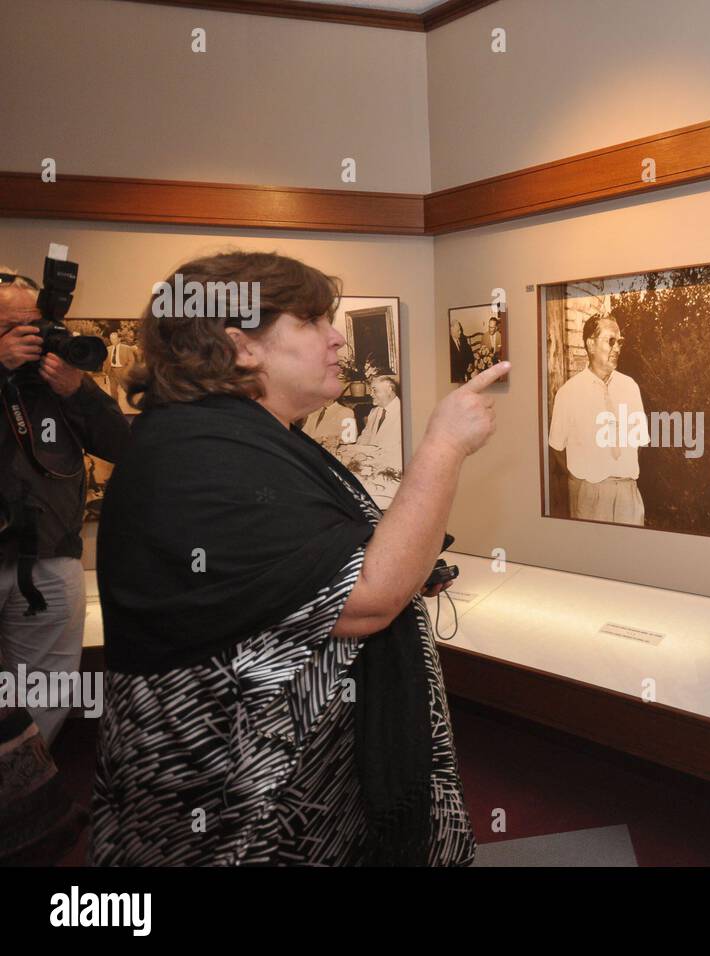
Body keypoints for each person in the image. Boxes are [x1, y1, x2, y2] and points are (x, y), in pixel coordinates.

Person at [90, 251, 505, 866]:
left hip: (282, 791)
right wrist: (443, 445)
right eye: (312, 321)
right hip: (242, 808)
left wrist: (412, 563)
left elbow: (314, 565)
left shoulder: (240, 436)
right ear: (240, 346)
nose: (337, 337)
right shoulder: (201, 457)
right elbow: (367, 599)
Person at [0, 266, 131, 864]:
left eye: (37, 325)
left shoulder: (56, 381)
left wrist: (77, 388)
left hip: (51, 559)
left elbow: (123, 445)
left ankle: (18, 814)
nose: (29, 338)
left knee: (49, 689)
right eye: (11, 327)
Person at [548, 315, 648, 525]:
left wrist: (619, 472)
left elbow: (639, 442)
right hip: (589, 496)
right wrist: (585, 477)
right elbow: (557, 448)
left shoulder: (630, 387)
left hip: (628, 496)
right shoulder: (568, 393)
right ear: (591, 345)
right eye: (611, 341)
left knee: (632, 556)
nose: (618, 348)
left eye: (620, 342)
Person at [104, 329, 137, 403]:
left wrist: (127, 371)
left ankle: (136, 402)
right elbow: (106, 361)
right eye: (111, 339)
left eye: (114, 339)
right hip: (112, 372)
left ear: (119, 339)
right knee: (113, 391)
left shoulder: (126, 348)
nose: (113, 340)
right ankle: (115, 406)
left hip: (123, 371)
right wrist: (105, 371)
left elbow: (132, 361)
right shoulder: (108, 349)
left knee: (127, 389)